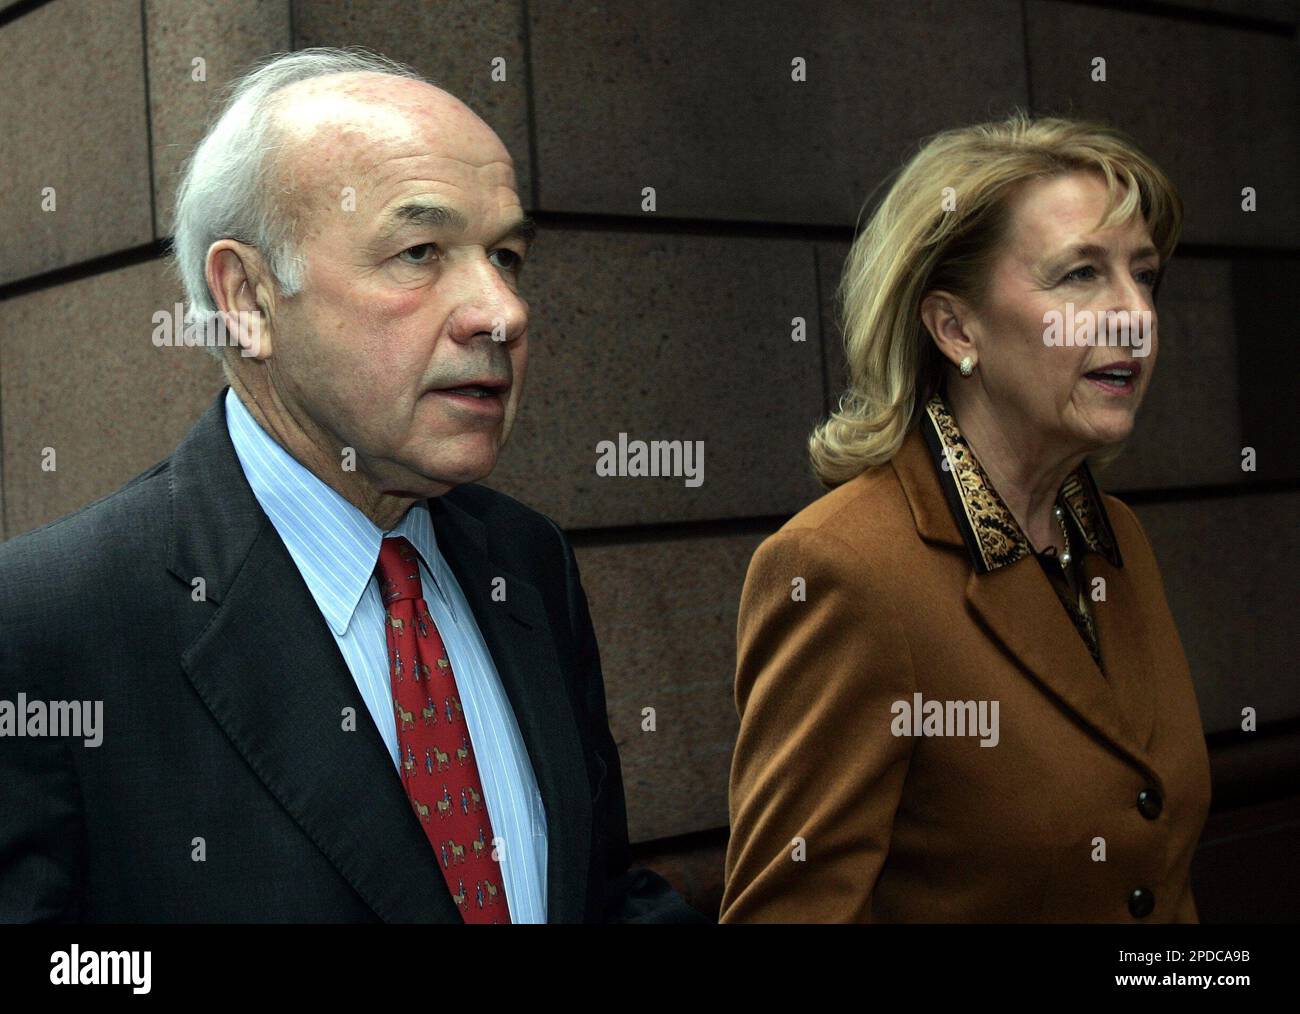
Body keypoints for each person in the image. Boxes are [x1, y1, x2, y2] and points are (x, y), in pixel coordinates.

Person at [0, 47, 702, 924]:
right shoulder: (48, 623)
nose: (502, 311)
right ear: (248, 299)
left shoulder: (526, 562)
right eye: (419, 252)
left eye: (508, 256)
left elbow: (600, 895)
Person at [720, 111, 1211, 922]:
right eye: (1080, 275)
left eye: (1144, 276)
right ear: (955, 328)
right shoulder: (844, 568)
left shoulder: (1116, 536)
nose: (1135, 316)